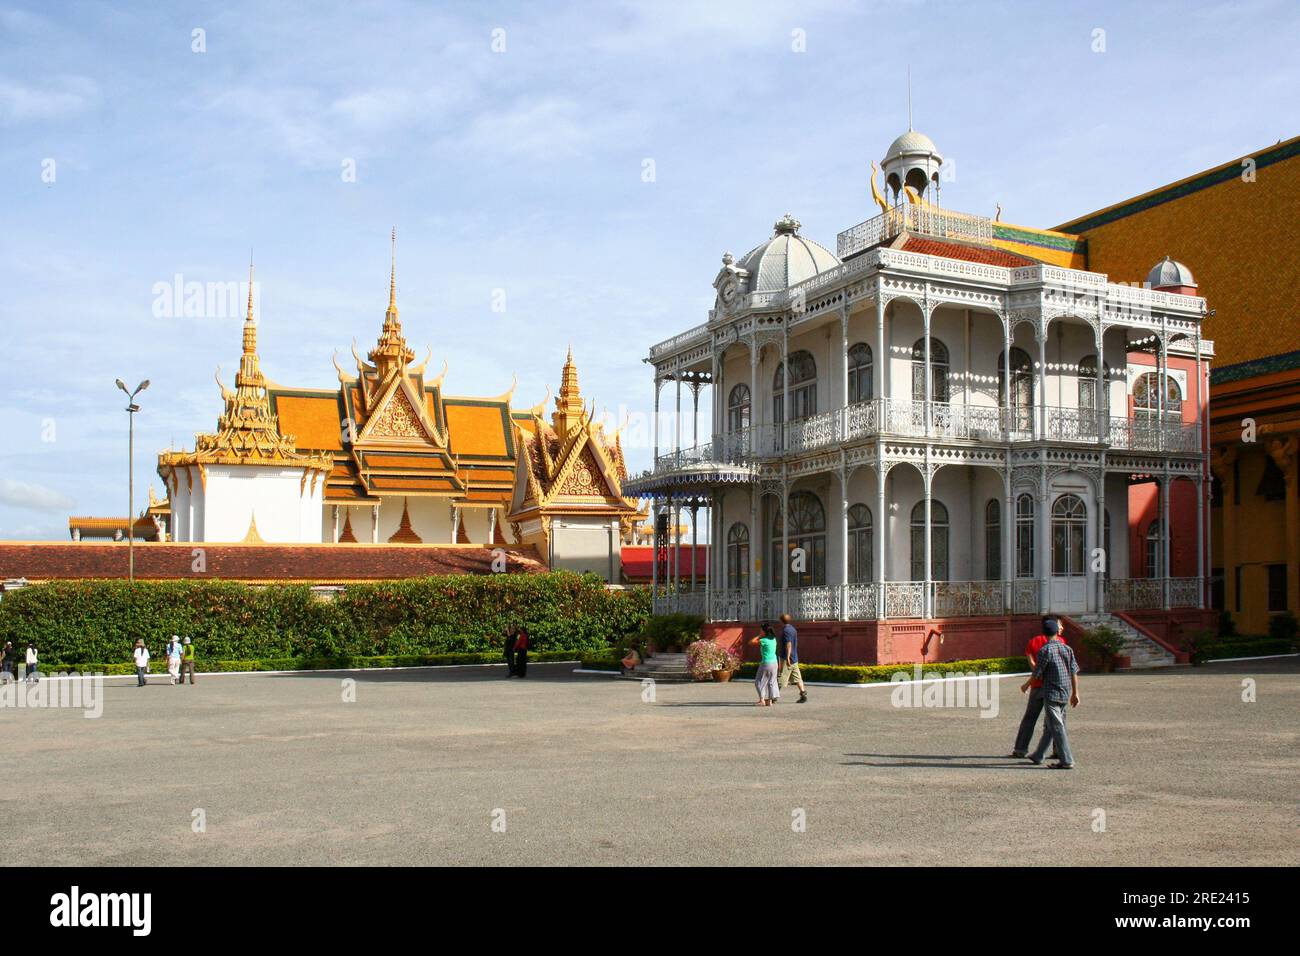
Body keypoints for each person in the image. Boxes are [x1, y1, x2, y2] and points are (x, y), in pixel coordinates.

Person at [1020, 623, 1080, 769]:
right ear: (1057, 632)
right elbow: (1073, 671)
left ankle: (1067, 760)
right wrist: (1075, 692)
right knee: (1050, 725)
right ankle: (1039, 754)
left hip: (1051, 692)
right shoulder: (1067, 649)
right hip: (1064, 691)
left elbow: (1037, 673)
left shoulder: (1045, 650)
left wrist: (1026, 684)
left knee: (1056, 726)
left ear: (1044, 633)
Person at [1010, 617, 1064, 760]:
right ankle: (1058, 750)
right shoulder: (1061, 642)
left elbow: (1033, 664)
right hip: (1053, 686)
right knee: (1055, 720)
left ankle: (1020, 749)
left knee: (1030, 718)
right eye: (1059, 625)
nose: (1061, 628)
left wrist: (1033, 677)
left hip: (1037, 685)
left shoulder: (1033, 642)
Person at [777, 613, 808, 704]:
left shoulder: (786, 630)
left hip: (787, 658)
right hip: (794, 658)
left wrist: (787, 657)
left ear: (781, 621)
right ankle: (803, 694)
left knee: (782, 677)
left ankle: (773, 696)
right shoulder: (793, 629)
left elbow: (789, 644)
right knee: (797, 678)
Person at [750, 623, 780, 706]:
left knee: (758, 681)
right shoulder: (774, 639)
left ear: (764, 631)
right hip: (774, 663)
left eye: (761, 630)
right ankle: (770, 701)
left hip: (766, 663)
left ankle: (762, 700)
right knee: (771, 682)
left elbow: (751, 642)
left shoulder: (763, 640)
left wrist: (759, 635)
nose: (760, 631)